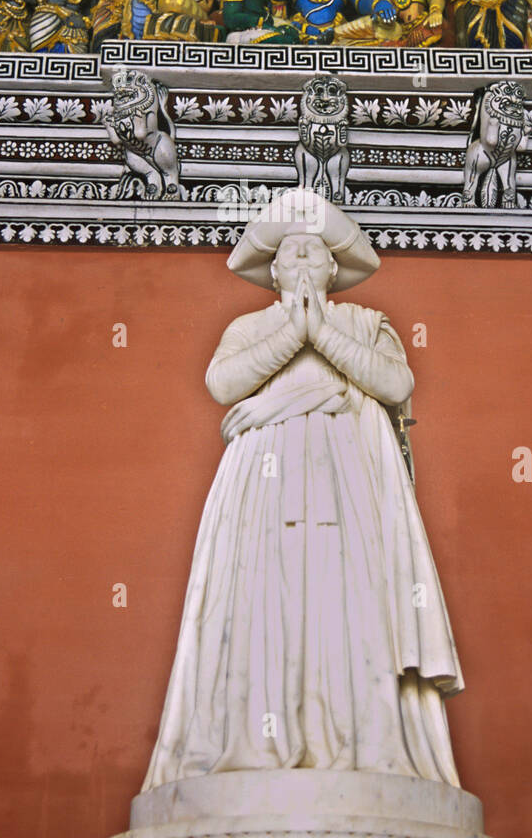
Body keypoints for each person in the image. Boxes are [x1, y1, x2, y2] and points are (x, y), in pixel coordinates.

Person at [141, 190, 464, 791]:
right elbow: (223, 383)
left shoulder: (366, 324)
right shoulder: (249, 327)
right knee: (264, 590)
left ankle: (363, 739)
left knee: (353, 590)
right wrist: (295, 333)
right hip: (264, 482)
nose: (302, 264)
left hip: (351, 482)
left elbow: (396, 382)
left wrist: (325, 333)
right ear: (273, 272)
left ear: (334, 269)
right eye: (290, 255)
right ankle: (261, 740)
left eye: (314, 254)